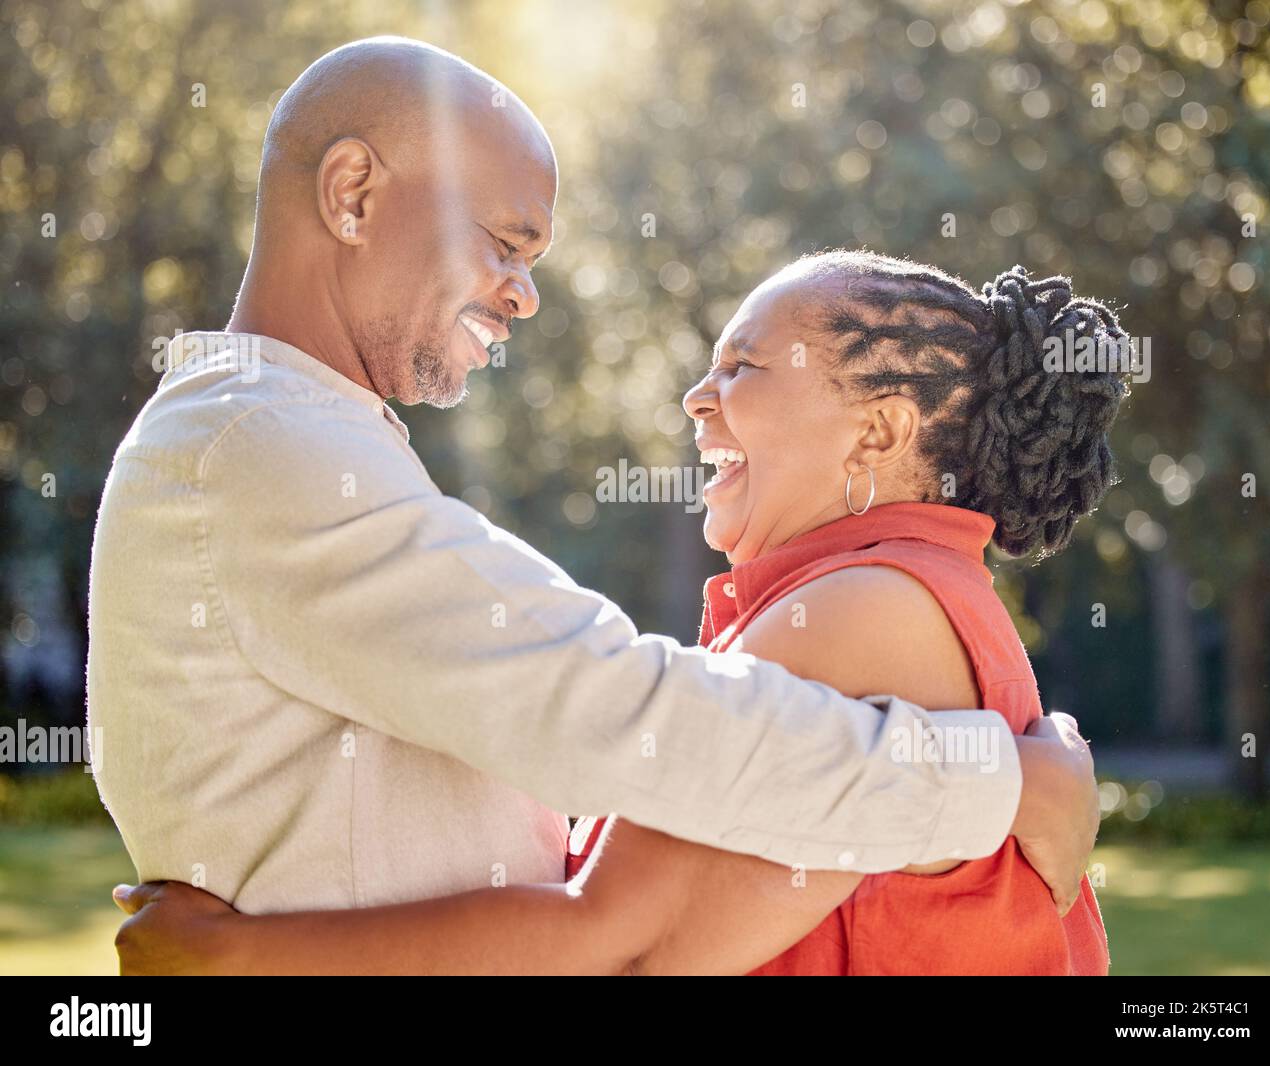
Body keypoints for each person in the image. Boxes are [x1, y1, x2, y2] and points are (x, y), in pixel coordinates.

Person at [113, 254, 1113, 975]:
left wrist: (238, 957)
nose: (695, 398)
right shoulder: (891, 597)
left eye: (744, 368)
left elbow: (623, 947)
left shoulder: (863, 614)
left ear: (878, 429)